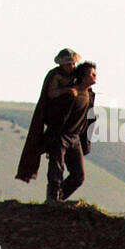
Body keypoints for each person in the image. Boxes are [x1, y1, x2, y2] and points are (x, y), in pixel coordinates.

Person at [15, 48, 81, 187]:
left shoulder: (76, 75)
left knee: (76, 173)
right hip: (55, 119)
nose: (72, 66)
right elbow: (51, 93)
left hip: (70, 125)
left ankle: (59, 195)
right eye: (69, 64)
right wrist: (66, 91)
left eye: (73, 64)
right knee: (56, 164)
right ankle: (54, 195)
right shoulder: (55, 75)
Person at [42, 62, 97, 204]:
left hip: (75, 138)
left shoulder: (89, 95)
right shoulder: (70, 94)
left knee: (78, 176)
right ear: (83, 77)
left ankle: (58, 199)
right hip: (60, 136)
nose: (95, 76)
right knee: (56, 170)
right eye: (91, 74)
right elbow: (55, 115)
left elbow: (89, 118)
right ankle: (52, 200)